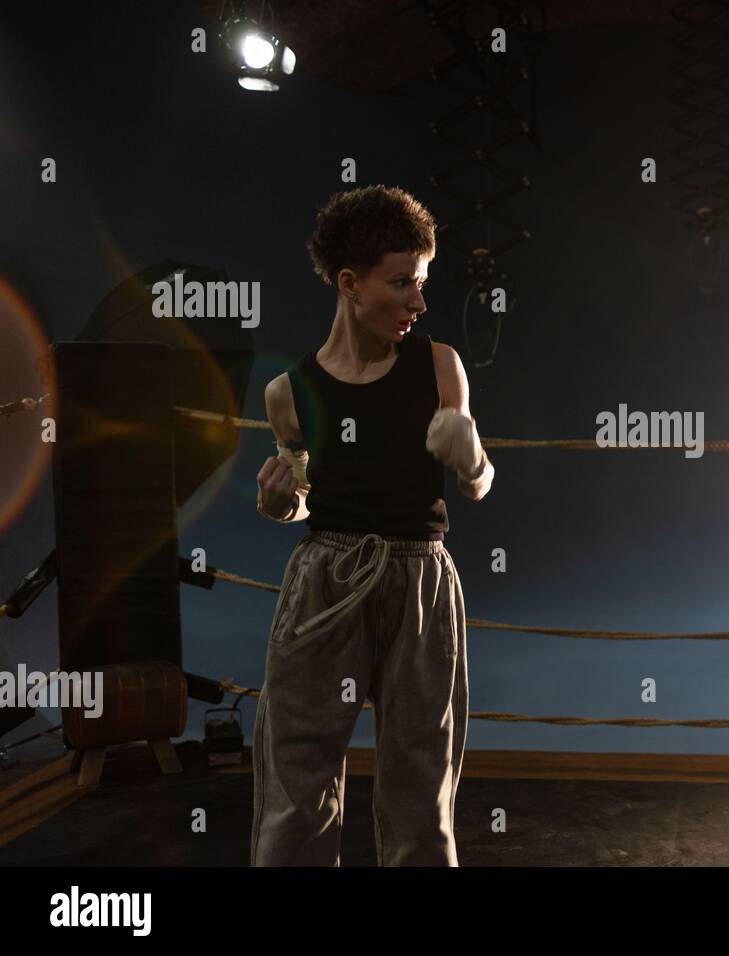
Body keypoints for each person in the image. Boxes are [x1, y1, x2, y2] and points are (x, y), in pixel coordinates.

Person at [250, 184, 493, 866]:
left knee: (421, 779)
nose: (419, 301)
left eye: (422, 282)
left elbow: (478, 484)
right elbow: (300, 497)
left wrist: (470, 452)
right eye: (403, 283)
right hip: (325, 578)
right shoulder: (289, 393)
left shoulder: (440, 365)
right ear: (351, 284)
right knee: (298, 772)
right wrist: (279, 504)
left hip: (421, 576)